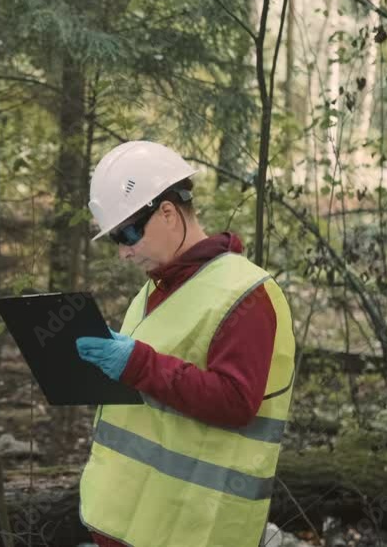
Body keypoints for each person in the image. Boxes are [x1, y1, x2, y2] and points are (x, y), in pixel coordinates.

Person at [74, 141, 296, 547]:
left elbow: (235, 402)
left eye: (127, 234)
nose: (123, 253)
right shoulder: (154, 291)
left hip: (193, 528)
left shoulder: (246, 294)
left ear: (168, 213)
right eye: (115, 240)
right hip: (129, 521)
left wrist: (137, 364)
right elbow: (150, 399)